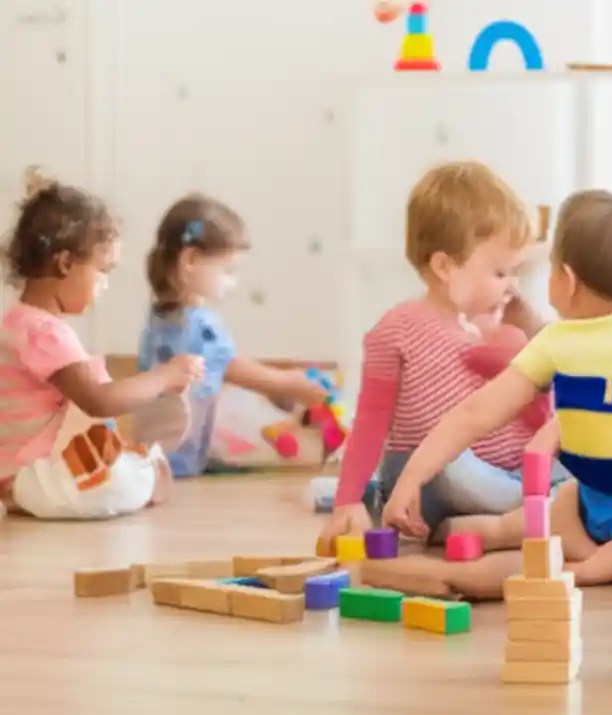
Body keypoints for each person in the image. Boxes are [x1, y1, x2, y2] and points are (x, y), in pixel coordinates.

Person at [380, 189, 612, 599]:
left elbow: (475, 414)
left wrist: (410, 479)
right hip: (596, 496)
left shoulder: (582, 346)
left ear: (567, 281)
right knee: (560, 504)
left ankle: (579, 567)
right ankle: (501, 533)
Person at [317, 161, 565, 549]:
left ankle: (512, 516)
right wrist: (347, 500)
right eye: (500, 273)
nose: (512, 286)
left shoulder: (510, 326)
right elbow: (371, 420)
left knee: (576, 456)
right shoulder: (398, 329)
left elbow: (537, 422)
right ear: (445, 266)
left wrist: (525, 357)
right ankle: (540, 512)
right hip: (438, 479)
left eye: (516, 272)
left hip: (512, 474)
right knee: (453, 469)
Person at [0, 168, 203, 519]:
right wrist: (164, 377)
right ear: (66, 264)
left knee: (112, 454)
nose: (104, 286)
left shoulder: (16, 321)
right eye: (102, 271)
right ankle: (145, 474)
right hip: (40, 475)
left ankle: (137, 463)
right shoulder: (45, 333)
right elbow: (99, 400)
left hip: (18, 472)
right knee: (123, 480)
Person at [137, 194, 329, 477]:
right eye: (228, 271)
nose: (233, 283)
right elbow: (233, 367)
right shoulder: (200, 323)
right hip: (184, 453)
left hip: (158, 448)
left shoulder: (160, 316)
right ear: (191, 260)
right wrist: (288, 383)